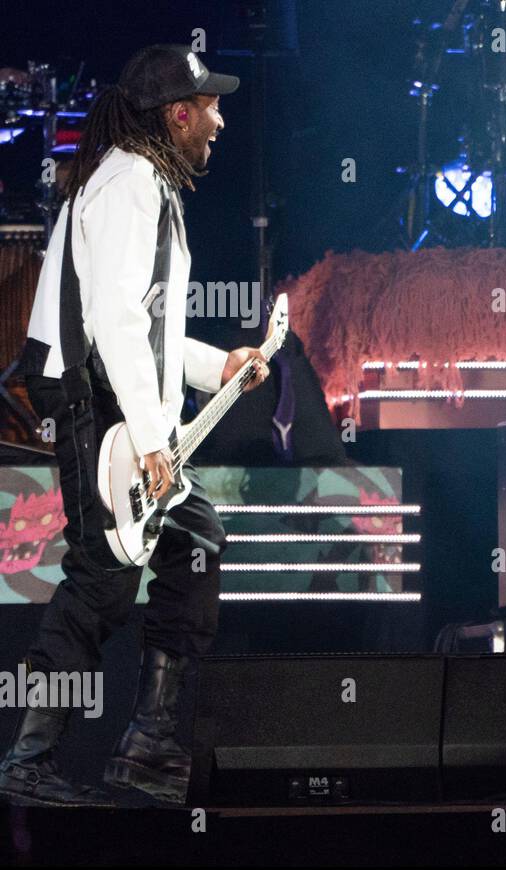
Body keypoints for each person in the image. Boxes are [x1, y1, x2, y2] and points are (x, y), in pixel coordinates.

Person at [0, 45, 269, 807]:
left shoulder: (142, 182)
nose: (219, 120)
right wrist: (154, 441)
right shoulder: (130, 183)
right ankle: (27, 762)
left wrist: (218, 366)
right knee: (101, 582)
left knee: (194, 538)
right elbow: (114, 322)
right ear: (177, 114)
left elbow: (145, 330)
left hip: (114, 397)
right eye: (210, 106)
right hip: (94, 402)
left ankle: (148, 745)